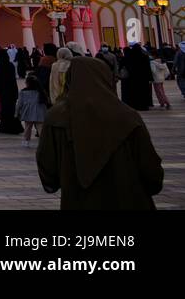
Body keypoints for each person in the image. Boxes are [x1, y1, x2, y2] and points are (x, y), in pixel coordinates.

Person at [37, 56, 164, 209]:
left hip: (79, 201)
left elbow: (47, 167)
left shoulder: (57, 117)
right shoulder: (126, 116)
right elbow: (150, 168)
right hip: (130, 200)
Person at [0, 47, 22, 134]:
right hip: (12, 90)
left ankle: (5, 127)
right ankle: (14, 127)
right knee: (12, 109)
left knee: (5, 109)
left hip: (3, 91)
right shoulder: (10, 65)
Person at [119, 42, 153, 111]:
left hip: (133, 79)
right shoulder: (144, 57)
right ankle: (144, 106)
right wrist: (150, 78)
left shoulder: (130, 57)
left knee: (135, 92)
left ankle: (135, 105)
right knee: (144, 92)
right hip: (143, 79)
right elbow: (148, 68)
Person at [17, 73, 46, 148]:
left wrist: (17, 112)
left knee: (28, 128)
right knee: (40, 128)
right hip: (40, 112)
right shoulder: (40, 91)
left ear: (27, 83)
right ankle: (43, 142)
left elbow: (19, 103)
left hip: (28, 112)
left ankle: (26, 142)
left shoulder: (23, 92)